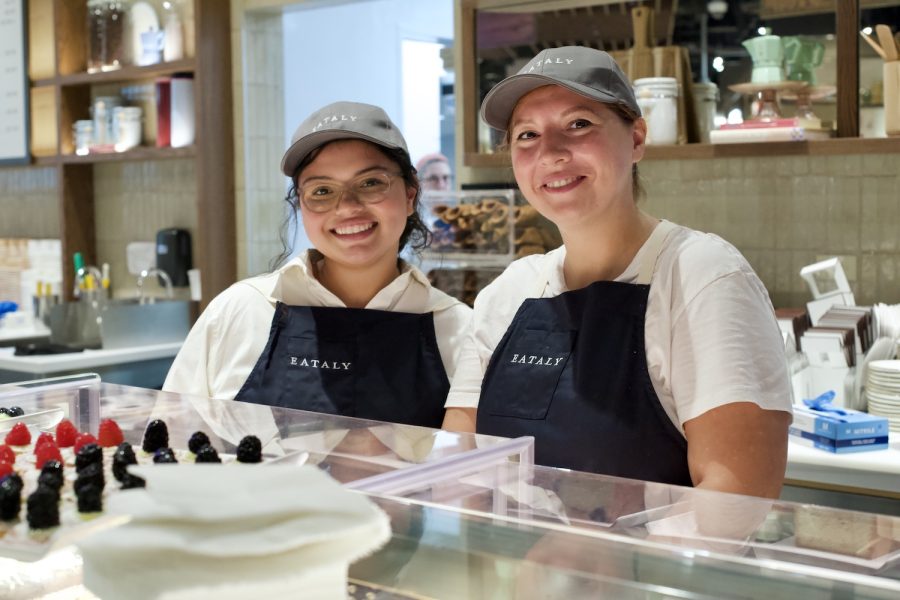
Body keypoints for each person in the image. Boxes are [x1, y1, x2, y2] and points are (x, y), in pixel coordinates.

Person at [442, 47, 792, 498]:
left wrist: (600, 557)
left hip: (657, 567)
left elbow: (735, 497)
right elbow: (458, 462)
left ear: (637, 139)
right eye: (527, 135)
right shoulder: (508, 293)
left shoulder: (703, 277)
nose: (550, 152)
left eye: (579, 124)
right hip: (514, 561)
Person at [164, 101, 471, 428]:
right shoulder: (237, 313)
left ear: (410, 193)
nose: (348, 207)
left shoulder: (461, 331)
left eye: (370, 183)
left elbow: (480, 468)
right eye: (322, 191)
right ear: (300, 204)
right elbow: (171, 444)